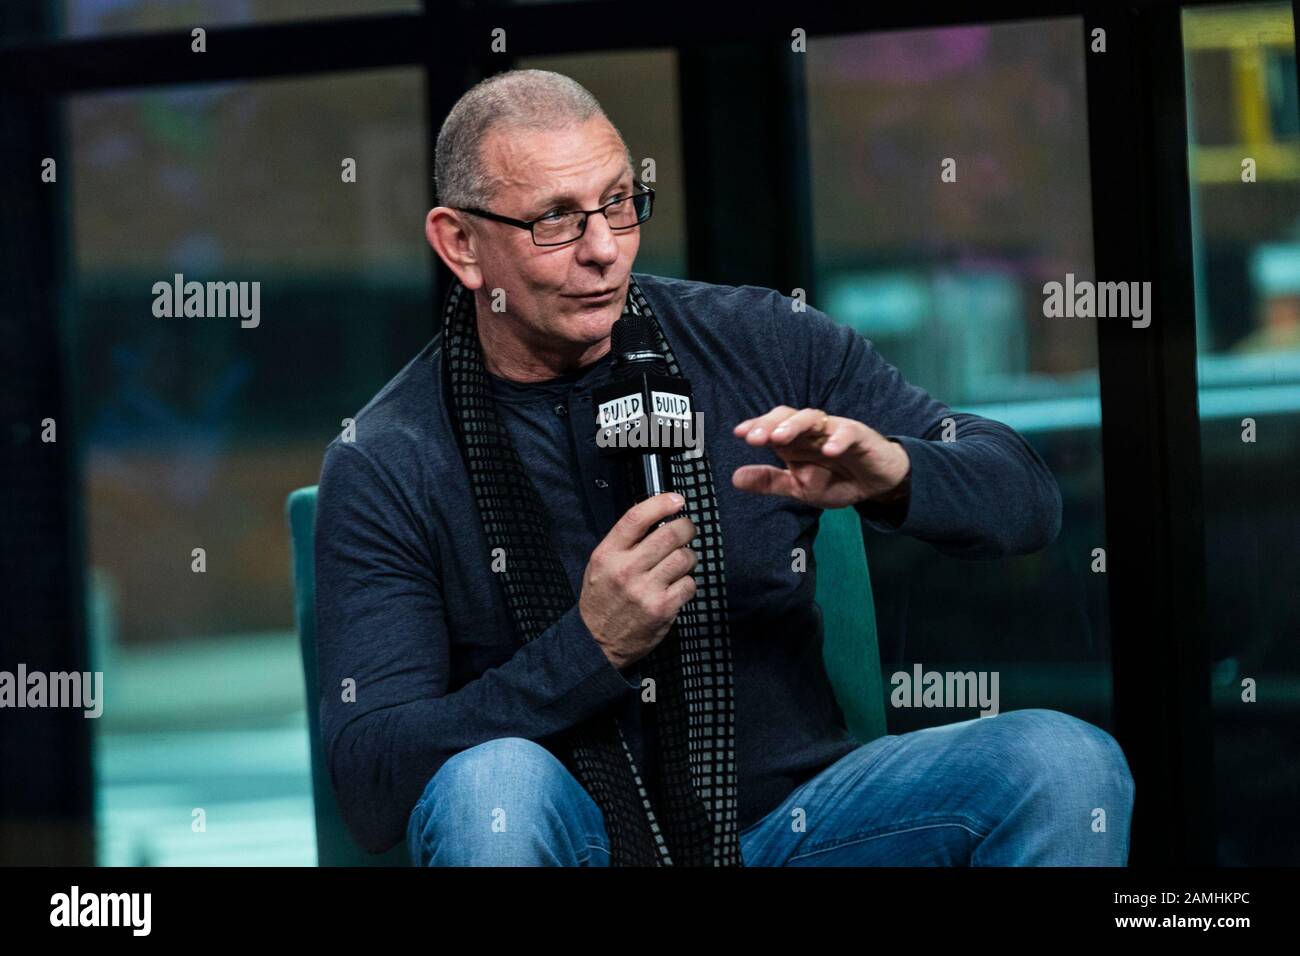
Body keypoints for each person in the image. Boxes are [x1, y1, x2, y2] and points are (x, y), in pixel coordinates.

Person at [314, 68, 1134, 866]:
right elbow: (371, 773)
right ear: (461, 244)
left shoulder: (764, 342)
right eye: (556, 220)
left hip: (803, 826)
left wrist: (898, 472)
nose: (604, 250)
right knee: (491, 787)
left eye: (619, 203)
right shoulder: (390, 457)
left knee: (1062, 765)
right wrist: (588, 648)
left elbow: (1027, 500)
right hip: (576, 842)